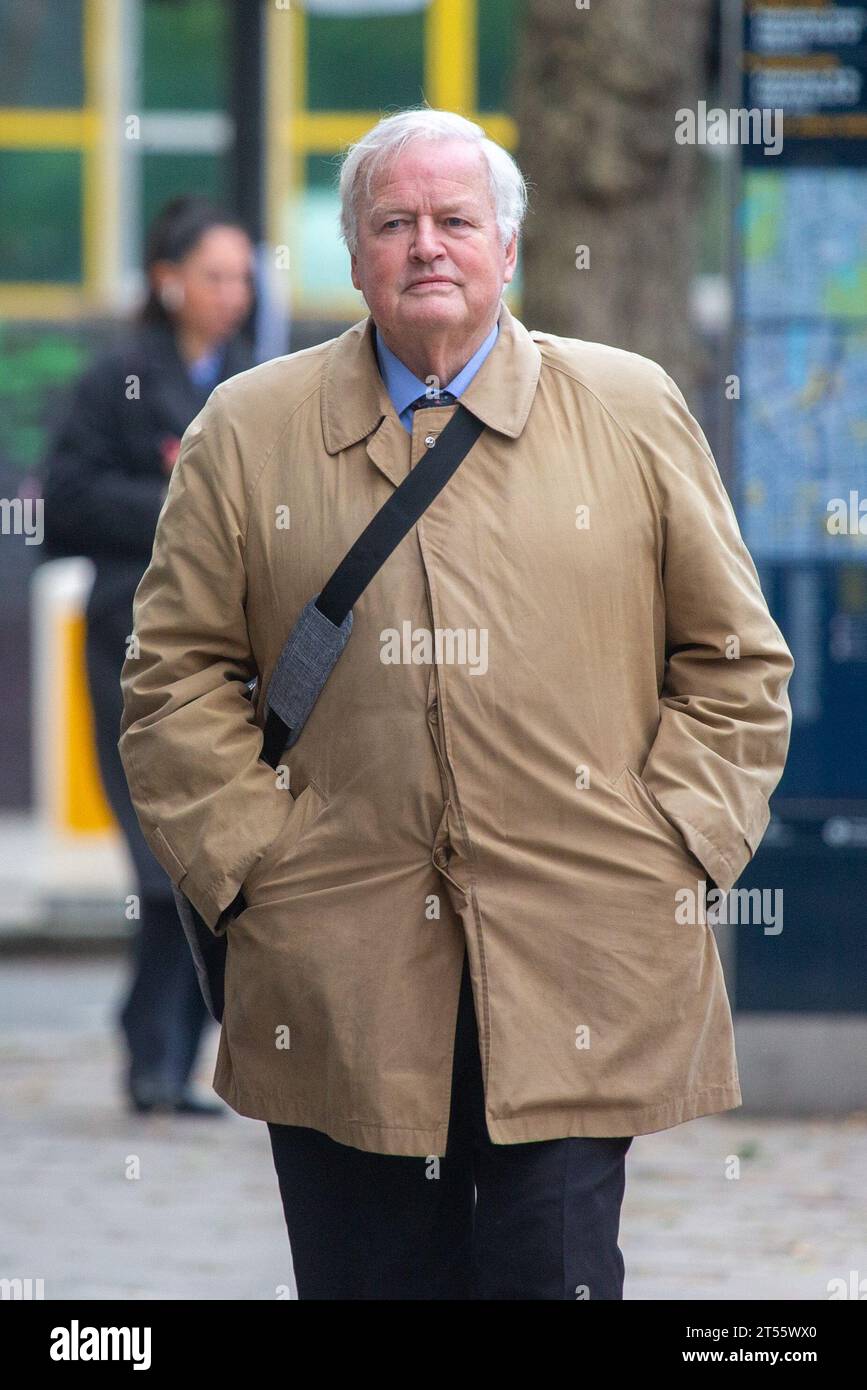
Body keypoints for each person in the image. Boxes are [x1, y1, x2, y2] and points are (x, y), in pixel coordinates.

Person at [117, 110, 794, 1296]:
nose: (427, 245)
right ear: (355, 252)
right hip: (339, 969)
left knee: (554, 1275)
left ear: (509, 249)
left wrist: (668, 842)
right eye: (394, 222)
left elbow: (737, 662)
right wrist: (260, 871)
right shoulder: (249, 429)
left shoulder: (630, 410)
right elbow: (172, 679)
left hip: (580, 954)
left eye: (455, 220)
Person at [41, 196, 255, 1115]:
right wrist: (178, 500)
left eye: (244, 276)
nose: (232, 295)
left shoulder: (256, 380)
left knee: (215, 862)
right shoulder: (116, 379)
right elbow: (64, 503)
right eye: (214, 275)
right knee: (158, 861)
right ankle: (152, 1056)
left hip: (239, 655)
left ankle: (169, 1055)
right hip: (131, 649)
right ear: (168, 282)